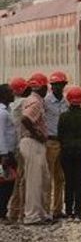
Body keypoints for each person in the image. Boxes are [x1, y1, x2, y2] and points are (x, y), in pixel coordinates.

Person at [58, 87, 81, 221]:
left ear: (68, 100)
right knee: (80, 182)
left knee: (69, 182)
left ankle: (68, 211)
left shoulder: (63, 117)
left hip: (67, 152)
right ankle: (78, 212)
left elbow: (60, 135)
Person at [18, 74, 52, 225]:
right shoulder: (36, 102)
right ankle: (32, 216)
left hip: (32, 143)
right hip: (33, 143)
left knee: (43, 179)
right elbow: (25, 119)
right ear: (44, 87)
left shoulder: (30, 99)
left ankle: (41, 213)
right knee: (35, 181)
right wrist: (37, 134)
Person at [43, 70, 69, 218]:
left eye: (60, 85)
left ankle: (57, 209)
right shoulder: (45, 102)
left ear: (64, 85)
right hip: (50, 142)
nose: (57, 88)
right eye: (55, 85)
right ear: (51, 86)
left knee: (60, 178)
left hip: (62, 143)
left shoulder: (66, 103)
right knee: (47, 178)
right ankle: (46, 210)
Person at [5, 77, 29, 222]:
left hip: (12, 147)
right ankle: (18, 211)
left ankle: (13, 210)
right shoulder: (23, 103)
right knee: (22, 179)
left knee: (13, 178)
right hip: (20, 145)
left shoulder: (10, 106)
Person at [0, 84, 16, 219]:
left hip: (8, 153)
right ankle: (1, 211)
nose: (13, 93)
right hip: (4, 155)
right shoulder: (2, 113)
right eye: (10, 92)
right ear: (3, 95)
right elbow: (0, 134)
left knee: (7, 181)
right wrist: (4, 155)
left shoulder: (7, 110)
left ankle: (2, 209)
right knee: (5, 182)